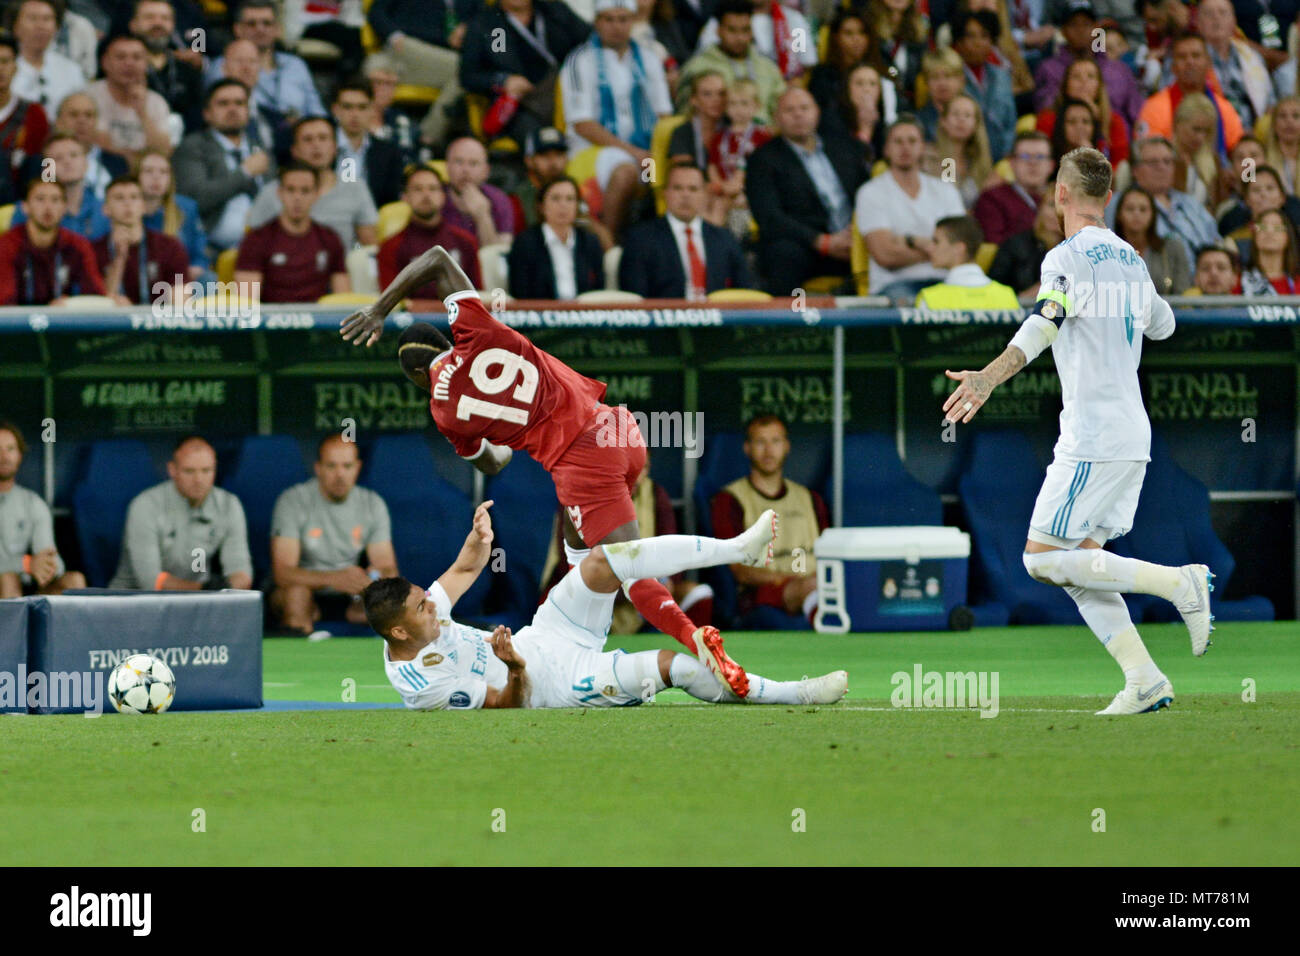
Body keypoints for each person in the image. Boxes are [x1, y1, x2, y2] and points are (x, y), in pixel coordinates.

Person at [340, 245, 755, 698]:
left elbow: (492, 461)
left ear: (418, 377)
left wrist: (508, 440)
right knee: (579, 552)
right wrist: (379, 307)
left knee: (628, 565)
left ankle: (708, 601)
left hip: (580, 460)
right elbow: (437, 257)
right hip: (616, 428)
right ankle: (584, 637)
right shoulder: (476, 327)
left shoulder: (445, 413)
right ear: (446, 339)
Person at [941, 145, 1213, 716]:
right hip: (1130, 436)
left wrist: (988, 378)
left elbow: (1047, 320)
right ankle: (1144, 677)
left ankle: (1178, 583)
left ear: (1060, 194)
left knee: (1040, 559)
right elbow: (1164, 325)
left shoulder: (1065, 257)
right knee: (1082, 563)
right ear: (1109, 198)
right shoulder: (1134, 260)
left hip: (1094, 436)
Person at [365, 502, 849, 709]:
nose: (433, 604)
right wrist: (514, 668)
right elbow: (504, 709)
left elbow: (466, 569)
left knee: (600, 562)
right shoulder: (422, 686)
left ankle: (736, 549)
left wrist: (478, 537)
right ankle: (792, 693)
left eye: (426, 598)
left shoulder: (424, 611)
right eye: (422, 608)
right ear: (400, 633)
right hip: (551, 686)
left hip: (544, 634)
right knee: (672, 667)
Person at [561, 0, 673, 238]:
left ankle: (653, 246)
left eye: (623, 19)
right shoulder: (579, 60)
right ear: (597, 22)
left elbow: (663, 114)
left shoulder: (649, 57)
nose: (616, 26)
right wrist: (635, 153)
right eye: (609, 19)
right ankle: (608, 246)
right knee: (625, 172)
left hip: (644, 153)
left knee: (669, 173)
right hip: (592, 153)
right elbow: (583, 125)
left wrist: (652, 154)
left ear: (632, 21)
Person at [269, 434, 398, 637]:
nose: (340, 474)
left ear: (358, 467)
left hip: (352, 595)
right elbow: (283, 573)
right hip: (306, 593)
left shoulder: (372, 503)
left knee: (393, 598)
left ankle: (382, 664)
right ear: (318, 468)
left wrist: (371, 579)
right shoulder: (293, 500)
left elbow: (388, 569)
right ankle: (302, 662)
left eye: (347, 466)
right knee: (296, 595)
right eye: (331, 466)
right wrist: (333, 579)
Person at [710, 414, 829, 630]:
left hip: (815, 584)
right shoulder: (730, 499)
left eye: (775, 441)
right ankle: (825, 623)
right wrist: (788, 581)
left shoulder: (810, 498)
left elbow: (830, 553)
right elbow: (739, 570)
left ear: (786, 446)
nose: (768, 450)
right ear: (747, 448)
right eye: (760, 442)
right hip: (762, 595)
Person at [745, 87, 865, 295]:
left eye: (804, 108)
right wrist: (820, 240)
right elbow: (769, 217)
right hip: (805, 244)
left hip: (853, 239)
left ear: (817, 112)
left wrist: (856, 233)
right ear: (776, 118)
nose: (798, 114)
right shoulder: (762, 159)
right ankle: (788, 325)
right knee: (782, 253)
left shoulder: (844, 148)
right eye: (789, 110)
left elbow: (867, 193)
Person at [108, 434, 255, 592]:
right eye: (189, 471)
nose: (198, 479)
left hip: (200, 604)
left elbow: (241, 572)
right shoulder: (146, 505)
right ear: (172, 470)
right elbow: (151, 582)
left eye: (206, 470)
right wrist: (204, 590)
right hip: (135, 602)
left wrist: (227, 587)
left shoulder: (228, 504)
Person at [855, 115, 966, 301]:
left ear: (923, 147)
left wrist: (909, 241)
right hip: (894, 285)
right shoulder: (870, 192)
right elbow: (886, 256)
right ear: (886, 149)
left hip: (947, 281)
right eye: (898, 141)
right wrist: (936, 249)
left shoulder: (946, 190)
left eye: (912, 141)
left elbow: (962, 248)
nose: (905, 147)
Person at [458, 0, 592, 144]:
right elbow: (468, 76)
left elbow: (590, 39)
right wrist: (503, 80)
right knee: (543, 145)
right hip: (521, 105)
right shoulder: (486, 24)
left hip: (566, 93)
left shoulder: (553, 11)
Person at [618, 161, 752, 297]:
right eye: (678, 188)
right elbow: (633, 298)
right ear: (665, 193)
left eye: (693, 189)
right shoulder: (641, 239)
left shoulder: (724, 238)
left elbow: (745, 292)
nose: (685, 195)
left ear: (705, 194)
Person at [173, 79, 275, 254]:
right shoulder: (193, 146)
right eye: (223, 103)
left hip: (268, 248)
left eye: (239, 103)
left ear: (248, 111)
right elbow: (195, 199)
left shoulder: (259, 148)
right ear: (207, 113)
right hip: (213, 250)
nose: (233, 109)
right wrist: (244, 173)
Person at [246, 115, 379, 249]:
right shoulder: (271, 192)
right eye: (308, 139)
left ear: (334, 148)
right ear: (294, 150)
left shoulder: (356, 189)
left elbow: (370, 248)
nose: (316, 145)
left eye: (323, 138)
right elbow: (252, 249)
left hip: (340, 268)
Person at [365, 0, 474, 150]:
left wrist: (467, 29)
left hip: (441, 58)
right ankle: (426, 138)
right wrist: (394, 36)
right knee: (374, 66)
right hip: (405, 46)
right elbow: (376, 12)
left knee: (467, 70)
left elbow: (484, 19)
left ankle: (424, 138)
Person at [236, 162, 350, 303]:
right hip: (271, 323)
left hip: (319, 323)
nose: (297, 198)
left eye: (305, 191)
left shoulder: (330, 239)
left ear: (316, 194)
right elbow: (247, 303)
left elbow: (343, 302)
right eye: (291, 190)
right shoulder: (256, 240)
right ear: (279, 193)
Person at [1106, 136, 1219, 273]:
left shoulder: (1192, 204)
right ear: (1135, 170)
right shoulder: (1118, 204)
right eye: (1153, 162)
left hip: (1206, 283)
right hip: (1156, 282)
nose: (1162, 167)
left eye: (1167, 162)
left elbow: (1216, 242)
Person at [0, 420, 85, 598]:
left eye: (10, 449)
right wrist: (25, 564)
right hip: (8, 587)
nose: (4, 456)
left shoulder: (32, 502)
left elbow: (50, 557)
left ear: (20, 455)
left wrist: (47, 565)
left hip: (26, 589)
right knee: (8, 580)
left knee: (74, 581)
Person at [207, 0, 326, 123]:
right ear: (237, 29)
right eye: (251, 24)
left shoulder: (296, 65)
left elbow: (317, 111)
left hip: (302, 136)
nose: (260, 29)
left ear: (278, 29)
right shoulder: (223, 65)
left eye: (267, 23)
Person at [1033, 0, 1142, 129]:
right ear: (1063, 31)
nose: (1080, 30)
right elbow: (1044, 109)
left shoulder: (1119, 69)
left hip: (1117, 140)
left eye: (1086, 24)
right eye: (1073, 25)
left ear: (1096, 28)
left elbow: (1138, 114)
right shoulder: (1048, 69)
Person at [379, 163, 481, 294]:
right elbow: (391, 305)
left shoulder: (466, 242)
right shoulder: (390, 248)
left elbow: (478, 296)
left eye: (432, 189)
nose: (426, 195)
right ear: (405, 197)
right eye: (418, 189)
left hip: (459, 314)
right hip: (413, 315)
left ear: (443, 196)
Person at [1134, 32, 1243, 155]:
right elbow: (1145, 156)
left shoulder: (1225, 109)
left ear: (1208, 64)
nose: (1190, 62)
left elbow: (1238, 154)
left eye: (1196, 56)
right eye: (1182, 57)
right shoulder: (1154, 108)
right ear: (1173, 67)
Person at [0, 178, 104, 304]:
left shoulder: (77, 245)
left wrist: (72, 304)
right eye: (40, 199)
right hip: (16, 322)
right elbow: (4, 302)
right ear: (24, 207)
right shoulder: (7, 245)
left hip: (62, 321)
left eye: (55, 200)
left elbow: (96, 295)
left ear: (64, 207)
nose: (48, 207)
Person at [676, 0, 784, 120]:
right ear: (718, 30)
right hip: (716, 136)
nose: (740, 38)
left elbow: (782, 111)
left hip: (766, 135)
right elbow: (685, 116)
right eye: (732, 30)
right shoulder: (697, 68)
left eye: (745, 30)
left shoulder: (768, 68)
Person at [91, 174, 189, 305]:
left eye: (134, 197)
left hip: (159, 322)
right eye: (119, 198)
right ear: (105, 209)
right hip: (114, 323)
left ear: (143, 206)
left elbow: (182, 302)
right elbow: (97, 304)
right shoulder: (94, 250)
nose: (128, 203)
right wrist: (119, 259)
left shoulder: (170, 246)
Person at [85, 33, 178, 162]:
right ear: (105, 62)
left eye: (137, 57)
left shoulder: (157, 102)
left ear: (146, 64)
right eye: (120, 57)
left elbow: (163, 151)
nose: (129, 63)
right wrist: (134, 158)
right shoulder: (89, 96)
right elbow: (96, 143)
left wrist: (142, 112)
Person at [508, 175, 605, 298]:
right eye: (555, 198)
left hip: (583, 315)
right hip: (540, 314)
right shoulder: (525, 243)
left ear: (577, 206)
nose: (563, 205)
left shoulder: (589, 242)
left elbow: (598, 291)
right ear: (542, 206)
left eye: (570, 199)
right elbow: (520, 291)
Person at [12, 130, 111, 239]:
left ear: (86, 164)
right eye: (58, 158)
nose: (67, 161)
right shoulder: (27, 209)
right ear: (47, 169)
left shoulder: (104, 209)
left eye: (74, 155)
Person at [130, 0, 205, 135]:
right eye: (149, 17)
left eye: (165, 18)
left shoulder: (188, 69)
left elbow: (198, 118)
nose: (158, 23)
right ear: (133, 25)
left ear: (173, 25)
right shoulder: (122, 69)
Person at [1036, 57, 1129, 165]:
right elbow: (1042, 160)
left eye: (1090, 76)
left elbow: (1120, 165)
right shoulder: (1048, 119)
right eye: (1076, 76)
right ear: (1066, 85)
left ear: (1099, 85)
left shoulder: (1114, 121)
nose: (1083, 81)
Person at [695, 0, 817, 81]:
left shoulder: (794, 20)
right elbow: (706, 58)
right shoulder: (720, 21)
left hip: (783, 86)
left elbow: (806, 61)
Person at [1197, 0, 1272, 130]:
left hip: (1251, 133)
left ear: (1234, 22)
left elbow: (1269, 102)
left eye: (1223, 13)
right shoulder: (1189, 54)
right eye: (1209, 13)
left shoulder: (1252, 57)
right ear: (1198, 23)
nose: (1216, 18)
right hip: (1208, 130)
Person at [136, 148, 208, 282]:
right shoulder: (127, 209)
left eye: (163, 172)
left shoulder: (187, 208)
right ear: (136, 176)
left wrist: (197, 266)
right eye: (148, 171)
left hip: (182, 277)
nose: (156, 177)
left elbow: (200, 251)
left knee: (208, 280)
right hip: (141, 277)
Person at [331, 79, 406, 209]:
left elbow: (390, 204)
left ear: (372, 109)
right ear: (336, 110)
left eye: (362, 107)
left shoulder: (389, 153)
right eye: (348, 107)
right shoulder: (318, 146)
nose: (355, 114)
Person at [951, 9, 1015, 161]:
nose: (978, 42)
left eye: (984, 36)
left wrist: (1005, 162)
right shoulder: (951, 77)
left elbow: (1010, 124)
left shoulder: (1003, 76)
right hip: (958, 159)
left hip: (1000, 159)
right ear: (959, 42)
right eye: (970, 36)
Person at [916, 214, 1018, 308]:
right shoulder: (1007, 296)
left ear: (959, 248)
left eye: (936, 242)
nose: (929, 248)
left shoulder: (930, 298)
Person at [974, 130, 1052, 244]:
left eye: (1040, 157)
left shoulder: (1061, 199)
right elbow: (994, 247)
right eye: (1025, 156)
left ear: (1051, 165)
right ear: (1011, 163)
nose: (1033, 163)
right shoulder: (992, 199)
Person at [8, 0, 85, 115]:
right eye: (32, 18)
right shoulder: (5, 67)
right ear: (15, 27)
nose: (40, 26)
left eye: (47, 19)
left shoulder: (72, 70)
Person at [1113, 184, 1191, 294]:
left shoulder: (1173, 248)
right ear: (1119, 215)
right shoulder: (1108, 250)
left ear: (1152, 215)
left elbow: (1183, 294)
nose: (1136, 214)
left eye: (1143, 209)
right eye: (1130, 209)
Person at [989, 190, 1066, 302]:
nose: (1057, 213)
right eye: (1051, 205)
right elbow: (994, 293)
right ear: (1040, 207)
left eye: (1065, 207)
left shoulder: (1078, 250)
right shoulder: (1014, 245)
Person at [50, 91, 128, 202]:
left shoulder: (117, 164)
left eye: (89, 115)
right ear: (58, 122)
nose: (82, 121)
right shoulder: (43, 161)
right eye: (74, 114)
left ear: (96, 122)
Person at [442, 136, 517, 246]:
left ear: (486, 171)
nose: (465, 170)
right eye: (458, 162)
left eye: (473, 163)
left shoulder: (499, 199)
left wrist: (483, 216)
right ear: (447, 166)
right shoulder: (435, 195)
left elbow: (499, 254)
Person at [0, 34, 49, 202]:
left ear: (16, 67)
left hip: (19, 206)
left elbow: (48, 161)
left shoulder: (34, 114)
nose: (0, 69)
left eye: (5, 61)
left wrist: (48, 189)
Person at [934, 92, 998, 209]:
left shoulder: (980, 162)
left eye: (967, 115)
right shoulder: (931, 157)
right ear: (943, 121)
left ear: (976, 124)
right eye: (955, 114)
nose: (961, 120)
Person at [1218, 163, 1300, 241]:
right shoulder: (1235, 239)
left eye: (1270, 188)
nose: (1263, 194)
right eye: (1256, 190)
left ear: (1282, 197)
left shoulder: (1296, 236)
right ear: (1246, 200)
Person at [1238, 206, 1300, 294]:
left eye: (1277, 228)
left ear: (1288, 237)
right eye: (1263, 227)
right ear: (1255, 236)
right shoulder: (1239, 281)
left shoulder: (1298, 282)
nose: (1269, 231)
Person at [915, 46, 965, 143]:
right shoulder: (917, 123)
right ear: (926, 83)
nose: (942, 83)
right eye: (935, 77)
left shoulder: (976, 118)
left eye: (948, 76)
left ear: (961, 80)